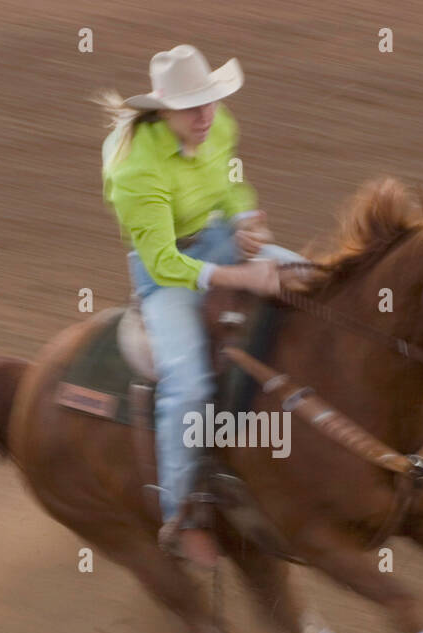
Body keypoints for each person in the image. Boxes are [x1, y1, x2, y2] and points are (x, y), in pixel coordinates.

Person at [96, 45, 309, 568]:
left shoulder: (218, 125)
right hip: (164, 274)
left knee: (310, 280)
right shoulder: (134, 173)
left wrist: (245, 219)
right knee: (186, 384)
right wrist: (242, 275)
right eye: (192, 108)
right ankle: (181, 513)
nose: (206, 115)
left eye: (210, 102)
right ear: (162, 112)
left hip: (215, 239)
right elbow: (165, 262)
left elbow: (232, 182)